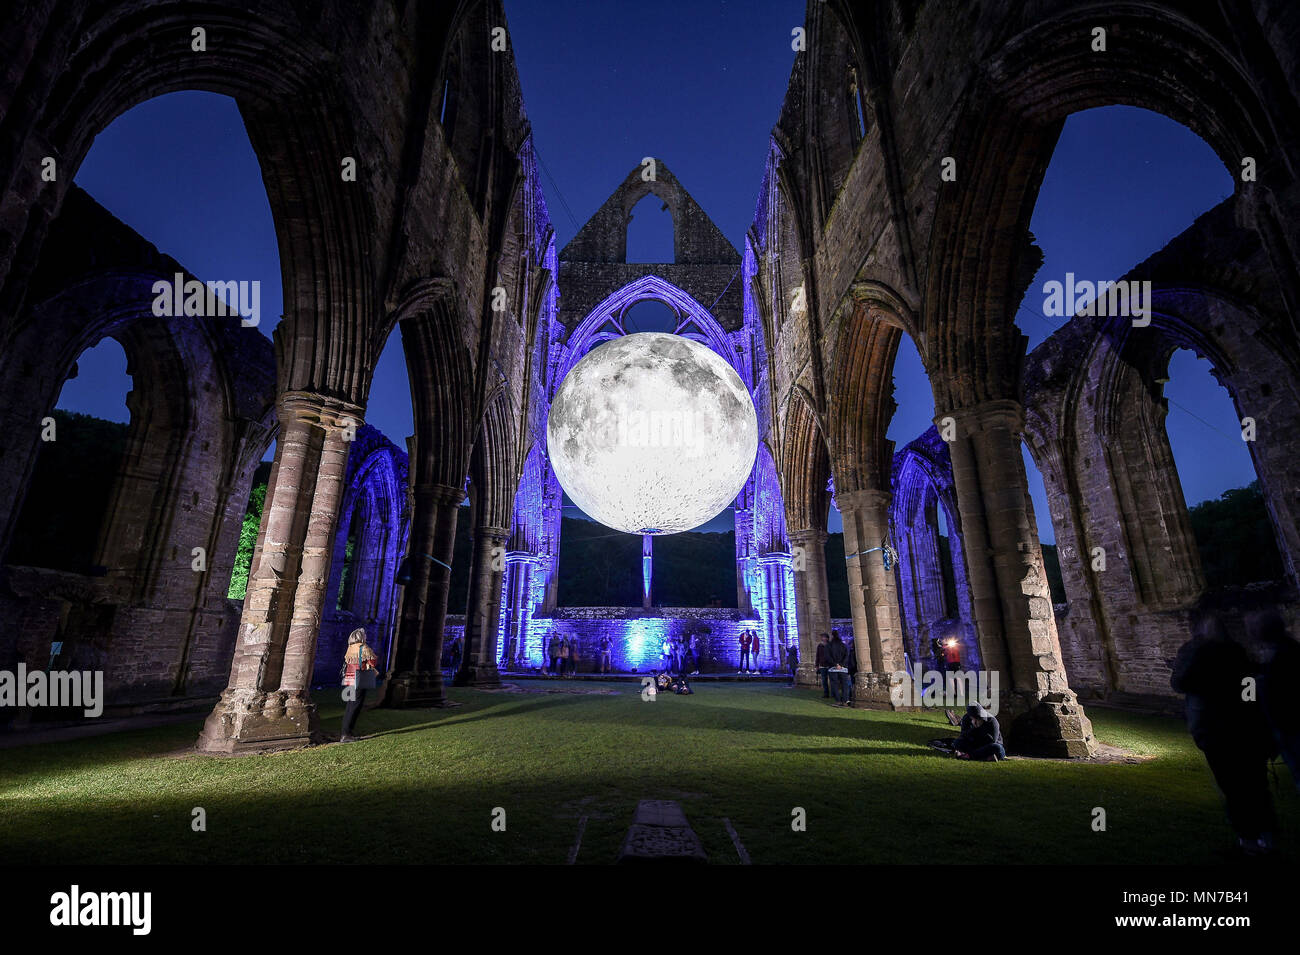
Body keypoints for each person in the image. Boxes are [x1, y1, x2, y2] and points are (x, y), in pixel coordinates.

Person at [1171, 611, 1277, 855]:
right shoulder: (1237, 653)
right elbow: (1250, 694)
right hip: (1244, 730)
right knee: (1255, 784)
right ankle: (1265, 837)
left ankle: (1248, 838)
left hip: (1218, 732)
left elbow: (1181, 683)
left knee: (1233, 786)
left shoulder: (1201, 654)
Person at [1251, 609, 1300, 790]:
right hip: (1286, 726)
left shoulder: (1285, 654)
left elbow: (1277, 690)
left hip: (1291, 725)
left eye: (1254, 629)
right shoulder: (1283, 651)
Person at [340, 627, 379, 743]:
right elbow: (373, 661)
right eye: (364, 635)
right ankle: (346, 734)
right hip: (359, 680)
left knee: (350, 706)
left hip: (349, 679)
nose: (366, 637)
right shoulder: (363, 647)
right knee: (356, 706)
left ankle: (346, 732)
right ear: (361, 637)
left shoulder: (350, 648)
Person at [826, 632, 851, 705]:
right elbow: (846, 656)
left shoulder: (828, 646)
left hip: (833, 668)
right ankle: (845, 700)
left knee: (834, 685)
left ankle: (838, 701)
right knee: (844, 685)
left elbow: (828, 657)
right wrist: (841, 665)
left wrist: (835, 664)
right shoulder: (844, 646)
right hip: (843, 668)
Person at [815, 633, 831, 698]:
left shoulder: (830, 645)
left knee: (832, 680)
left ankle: (833, 694)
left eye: (824, 637)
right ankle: (826, 694)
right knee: (824, 680)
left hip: (830, 665)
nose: (823, 638)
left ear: (827, 638)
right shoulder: (819, 646)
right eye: (822, 637)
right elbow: (817, 655)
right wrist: (816, 665)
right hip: (822, 665)